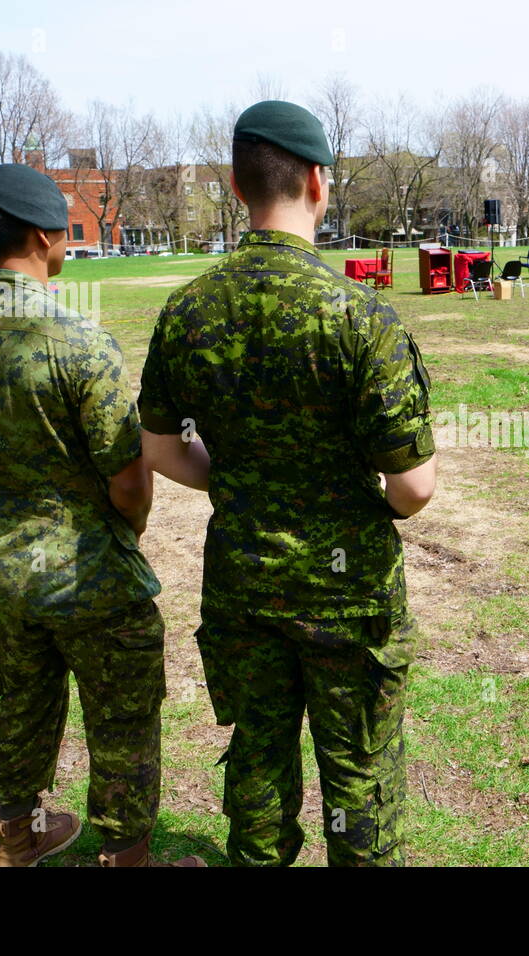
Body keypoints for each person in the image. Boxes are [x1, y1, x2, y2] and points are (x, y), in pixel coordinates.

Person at [138, 100, 436, 867]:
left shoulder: (188, 311)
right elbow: (413, 486)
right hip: (350, 596)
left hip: (244, 582)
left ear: (238, 190)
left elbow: (159, 446)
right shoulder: (360, 318)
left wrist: (234, 483)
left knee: (259, 765)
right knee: (360, 779)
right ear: (318, 182)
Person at [0, 163, 202, 868]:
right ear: (46, 236)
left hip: (9, 569)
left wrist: (15, 496)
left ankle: (19, 836)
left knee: (22, 703)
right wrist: (117, 528)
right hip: (92, 570)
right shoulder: (79, 342)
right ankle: (125, 859)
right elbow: (130, 479)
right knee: (124, 719)